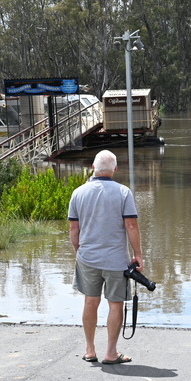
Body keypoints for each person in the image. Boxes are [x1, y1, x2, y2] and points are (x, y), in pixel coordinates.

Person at [68, 150, 144, 365]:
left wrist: (79, 252)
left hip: (87, 258)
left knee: (90, 301)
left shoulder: (78, 193)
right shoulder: (123, 192)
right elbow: (131, 225)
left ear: (93, 167)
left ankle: (90, 350)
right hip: (116, 260)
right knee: (115, 304)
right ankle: (111, 352)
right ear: (115, 170)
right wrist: (137, 254)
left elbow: (74, 229)